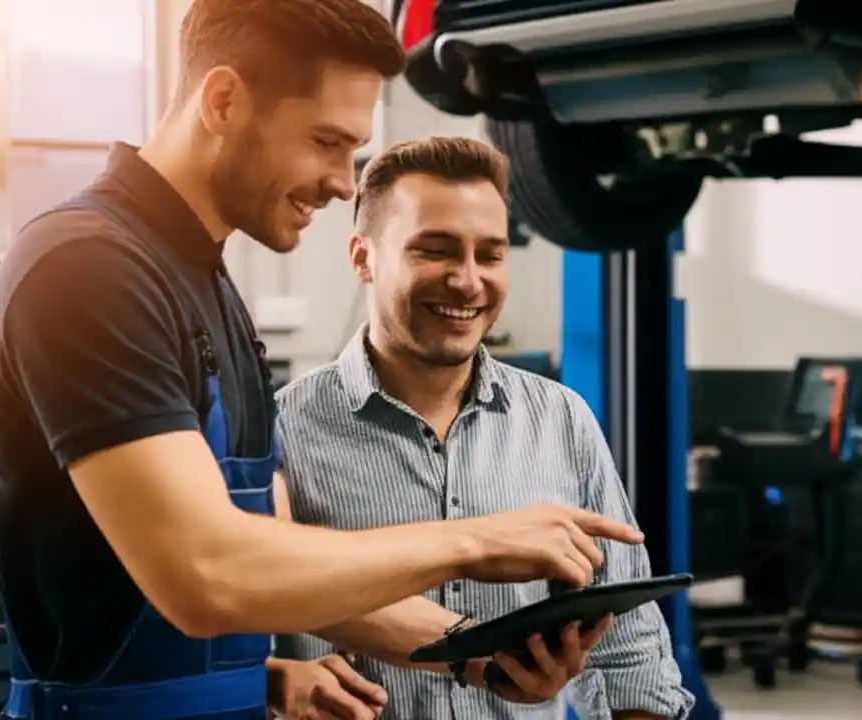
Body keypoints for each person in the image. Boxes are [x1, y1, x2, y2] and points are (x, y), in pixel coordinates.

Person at [0, 2, 644, 719]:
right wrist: (477, 542)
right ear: (224, 100)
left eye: (353, 151)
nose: (341, 183)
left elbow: (281, 568)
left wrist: (478, 650)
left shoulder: (205, 288)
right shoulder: (87, 271)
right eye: (326, 142)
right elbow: (209, 576)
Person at [271, 136, 696, 720]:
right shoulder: (281, 431)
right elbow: (241, 617)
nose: (468, 281)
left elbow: (631, 656)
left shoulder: (561, 420)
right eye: (435, 250)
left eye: (490, 255)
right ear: (362, 257)